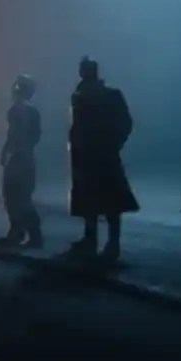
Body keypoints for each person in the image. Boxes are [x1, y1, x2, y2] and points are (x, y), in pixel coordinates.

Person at [68, 57, 138, 262]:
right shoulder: (88, 96)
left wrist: (114, 142)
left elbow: (124, 123)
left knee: (102, 199)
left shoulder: (94, 97)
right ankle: (100, 240)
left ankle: (104, 242)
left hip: (97, 154)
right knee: (101, 198)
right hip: (98, 154)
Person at [0, 74, 43, 249]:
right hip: (24, 157)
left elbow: (16, 135)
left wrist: (8, 150)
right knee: (18, 196)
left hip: (20, 159)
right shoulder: (28, 110)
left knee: (16, 196)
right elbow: (32, 135)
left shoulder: (19, 109)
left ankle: (27, 233)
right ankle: (21, 232)